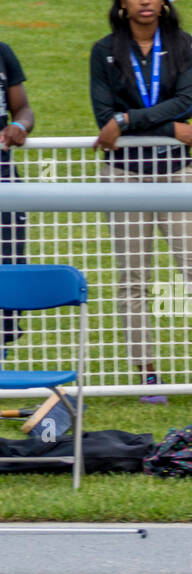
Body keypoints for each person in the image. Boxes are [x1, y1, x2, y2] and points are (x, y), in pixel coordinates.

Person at [91, 0, 192, 404]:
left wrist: (127, 121)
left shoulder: (183, 45)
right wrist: (169, 127)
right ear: (122, 4)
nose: (145, 2)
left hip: (177, 173)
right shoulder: (103, 49)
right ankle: (147, 377)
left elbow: (186, 103)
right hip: (122, 176)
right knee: (133, 279)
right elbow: (102, 114)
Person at [0, 39, 33, 363]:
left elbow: (23, 108)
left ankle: (3, 339)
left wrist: (19, 125)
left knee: (10, 257)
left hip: (3, 173)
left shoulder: (3, 52)